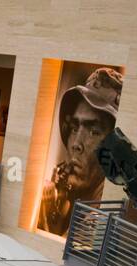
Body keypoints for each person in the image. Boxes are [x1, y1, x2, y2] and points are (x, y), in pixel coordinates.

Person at [38, 67, 122, 238]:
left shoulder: (99, 220)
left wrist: (45, 221)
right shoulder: (67, 202)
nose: (77, 144)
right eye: (75, 128)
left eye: (94, 132)